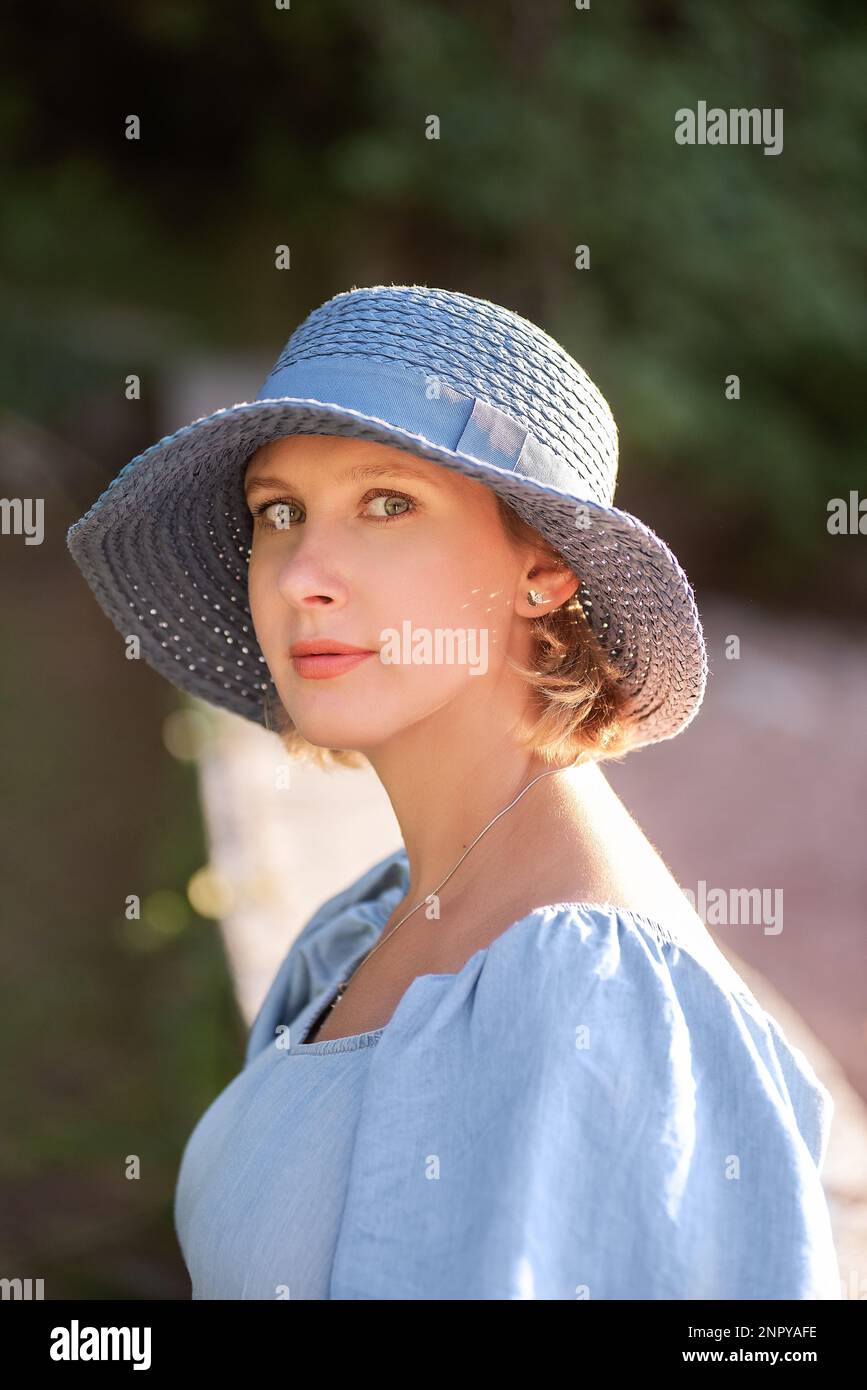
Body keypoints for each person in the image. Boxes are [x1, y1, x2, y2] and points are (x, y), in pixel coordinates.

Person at [66, 284, 840, 1300]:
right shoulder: (369, 921)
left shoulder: (592, 995)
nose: (304, 572)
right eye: (278, 511)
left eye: (388, 502)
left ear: (545, 569)